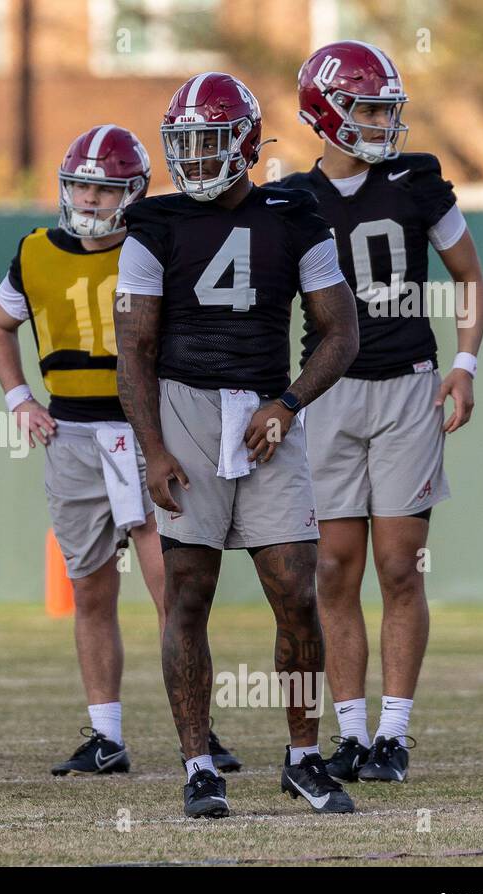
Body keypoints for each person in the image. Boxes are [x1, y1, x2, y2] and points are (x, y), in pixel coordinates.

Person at [114, 73, 360, 818]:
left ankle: (303, 758)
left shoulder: (294, 214)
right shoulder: (154, 222)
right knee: (187, 594)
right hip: (184, 406)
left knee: (297, 593)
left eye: (209, 141)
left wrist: (287, 403)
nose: (193, 157)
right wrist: (152, 447)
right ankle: (198, 764)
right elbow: (134, 350)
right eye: (183, 143)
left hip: (264, 409)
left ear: (248, 144)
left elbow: (341, 332)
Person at [0, 124, 241, 776]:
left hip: (146, 431)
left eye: (102, 188)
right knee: (90, 589)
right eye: (80, 185)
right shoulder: (37, 249)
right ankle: (106, 734)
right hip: (71, 433)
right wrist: (18, 397)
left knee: (172, 587)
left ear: (131, 192)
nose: (90, 199)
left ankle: (199, 730)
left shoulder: (155, 246)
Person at [283, 40, 483, 784]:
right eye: (365, 107)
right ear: (324, 112)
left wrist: (464, 364)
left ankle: (394, 733)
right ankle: (351, 733)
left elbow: (467, 275)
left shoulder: (416, 180)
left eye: (383, 107)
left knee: (400, 565)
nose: (379, 121)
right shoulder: (291, 200)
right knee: (334, 568)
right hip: (328, 391)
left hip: (407, 383)